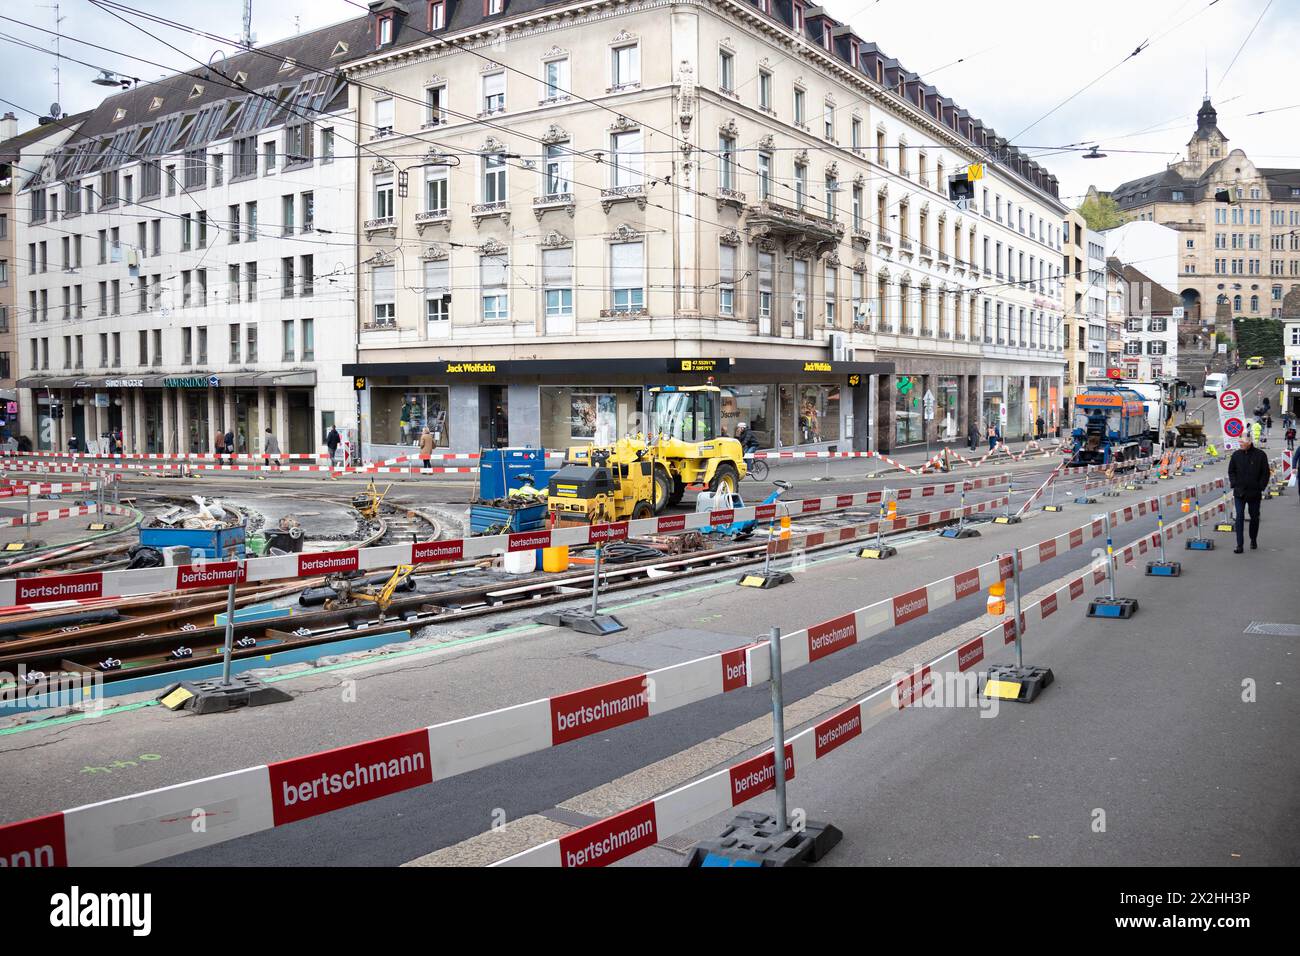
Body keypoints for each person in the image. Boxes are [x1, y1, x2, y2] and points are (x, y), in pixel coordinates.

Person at [1227, 434, 1271, 553]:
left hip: (1254, 492)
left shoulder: (1260, 455)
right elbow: (1231, 471)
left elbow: (1265, 473)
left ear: (1249, 442)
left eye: (1242, 442)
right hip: (1239, 492)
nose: (1240, 444)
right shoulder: (1236, 455)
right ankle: (1239, 545)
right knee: (1239, 517)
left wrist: (1260, 487)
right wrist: (1234, 483)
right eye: (1239, 442)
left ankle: (1253, 539)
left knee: (1254, 517)